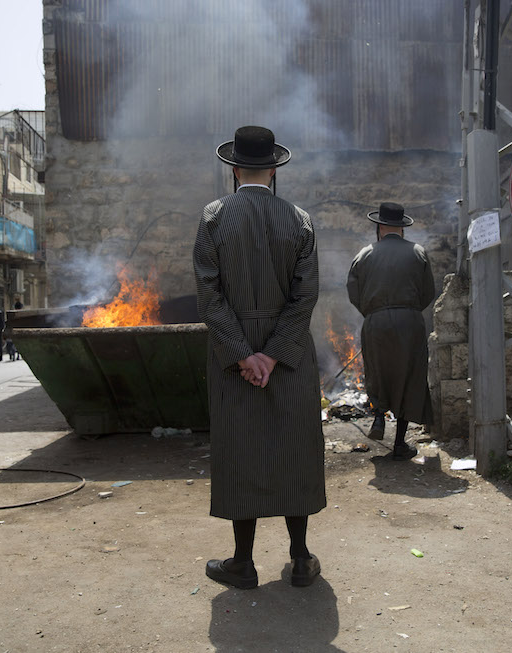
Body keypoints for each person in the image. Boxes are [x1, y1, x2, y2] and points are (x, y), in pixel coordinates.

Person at [193, 125, 326, 590]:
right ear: (273, 169)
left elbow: (208, 297)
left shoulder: (213, 217)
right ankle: (301, 556)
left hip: (234, 356)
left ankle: (242, 563)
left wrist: (243, 354)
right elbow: (305, 296)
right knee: (296, 449)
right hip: (288, 354)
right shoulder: (301, 220)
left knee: (240, 450)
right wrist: (271, 355)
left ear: (233, 169)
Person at [346, 202, 436, 461]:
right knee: (409, 377)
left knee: (377, 371)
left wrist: (373, 313)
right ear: (402, 229)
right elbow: (428, 291)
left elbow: (354, 292)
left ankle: (377, 417)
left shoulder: (364, 254)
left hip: (376, 322)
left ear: (379, 227)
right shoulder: (418, 252)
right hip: (410, 321)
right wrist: (409, 310)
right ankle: (399, 444)